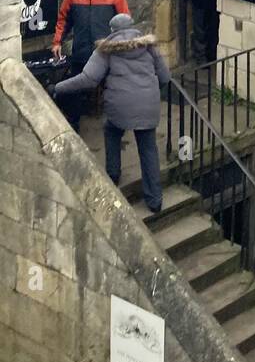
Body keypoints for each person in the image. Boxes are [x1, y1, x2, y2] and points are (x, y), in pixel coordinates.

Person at [54, 14, 169, 214]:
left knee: (112, 131)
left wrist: (57, 87)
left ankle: (113, 175)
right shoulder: (149, 47)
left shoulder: (106, 50)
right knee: (148, 148)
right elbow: (165, 77)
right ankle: (154, 200)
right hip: (148, 105)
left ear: (112, 30)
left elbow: (88, 79)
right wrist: (149, 91)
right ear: (133, 27)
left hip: (119, 104)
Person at [51, 0, 130, 131]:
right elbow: (64, 19)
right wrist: (57, 42)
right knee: (75, 87)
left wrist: (123, 48)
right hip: (82, 50)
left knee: (114, 89)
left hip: (106, 52)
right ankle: (74, 122)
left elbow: (124, 20)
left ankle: (117, 123)